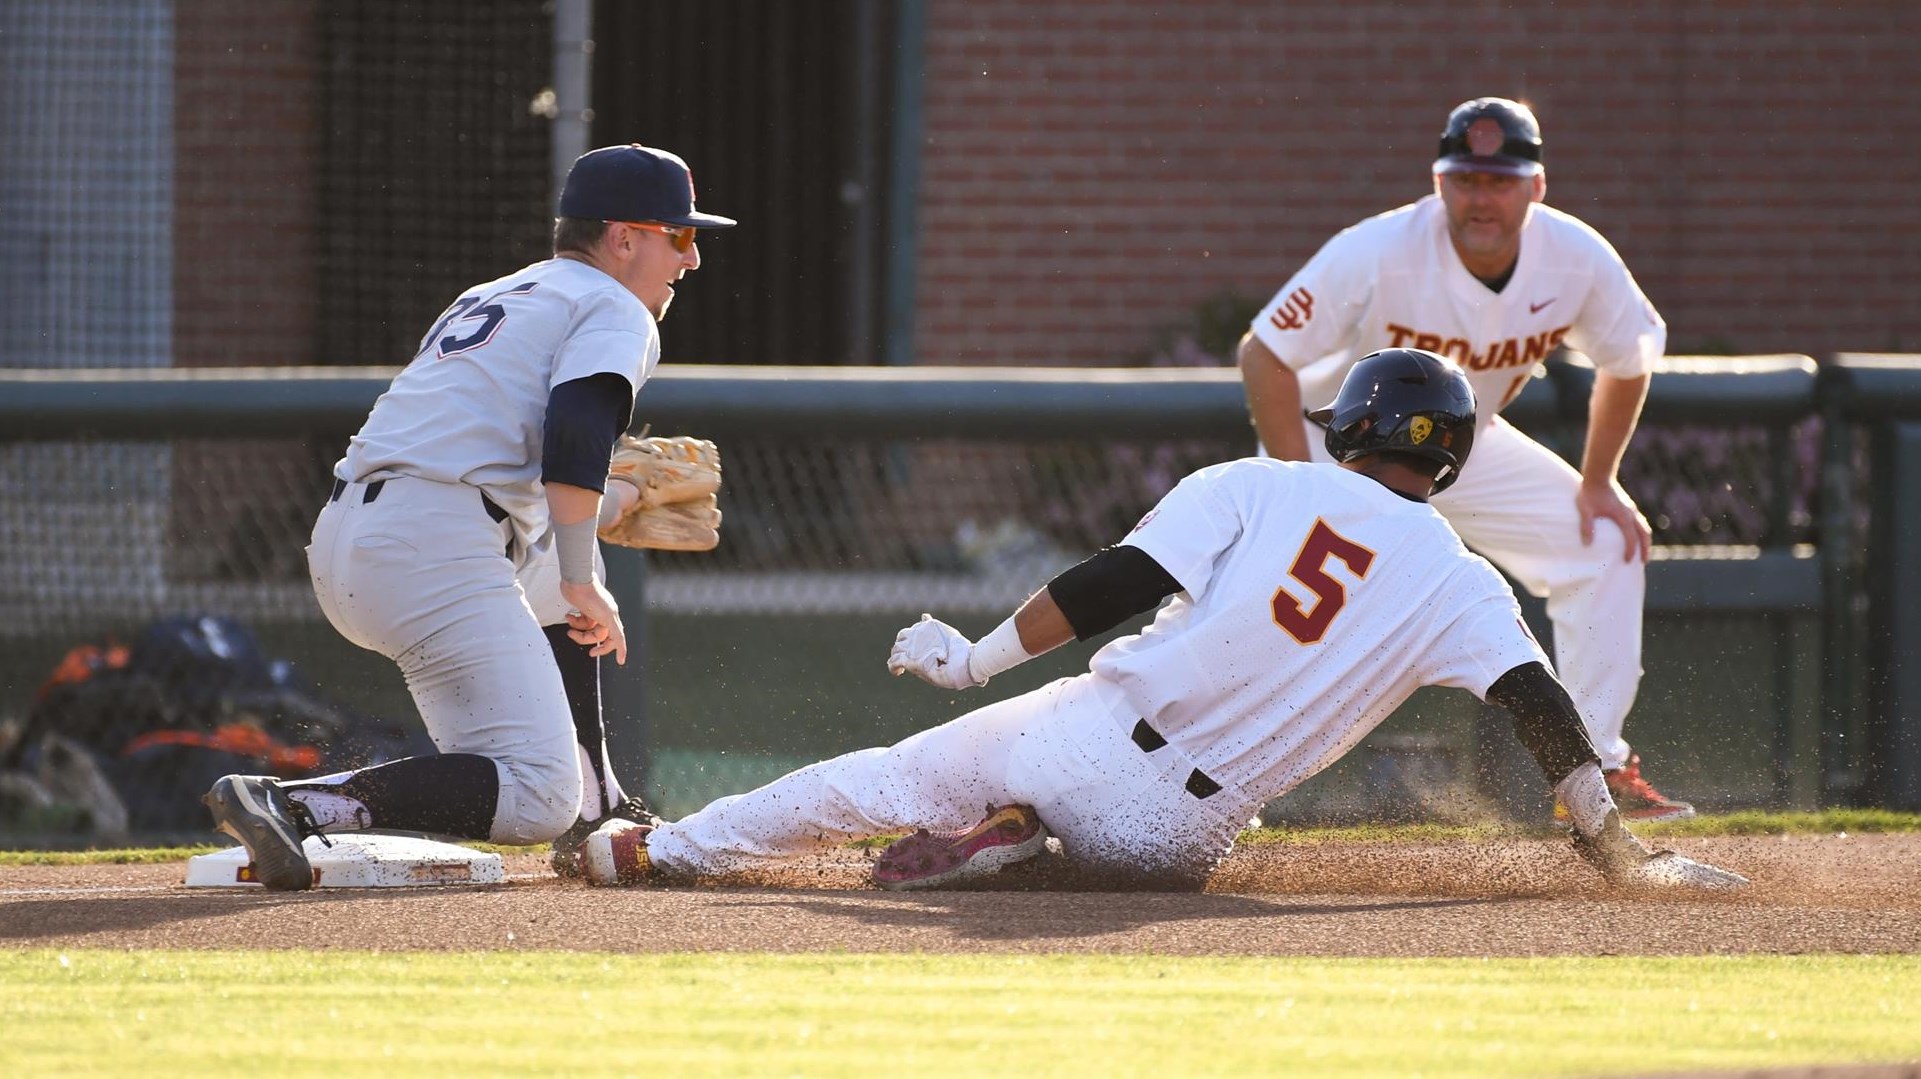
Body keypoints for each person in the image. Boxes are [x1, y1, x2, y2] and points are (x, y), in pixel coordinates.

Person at [577, 349, 1744, 895]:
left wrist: (973, 656)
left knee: (871, 780)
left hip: (1100, 732)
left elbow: (1115, 581)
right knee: (1105, 857)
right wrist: (1614, 851)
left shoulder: (1266, 481)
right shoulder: (1467, 582)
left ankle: (649, 851)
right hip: (1185, 839)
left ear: (1355, 430)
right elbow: (1545, 711)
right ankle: (1020, 843)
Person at [201, 144, 736, 890]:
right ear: (623, 237)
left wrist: (614, 506)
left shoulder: (504, 291)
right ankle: (296, 803)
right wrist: (583, 578)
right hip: (435, 548)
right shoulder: (612, 304)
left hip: (358, 538)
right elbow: (576, 434)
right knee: (536, 793)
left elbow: (511, 460)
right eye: (679, 236)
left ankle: (597, 805)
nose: (692, 259)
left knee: (554, 565)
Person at [1236, 97, 1691, 821]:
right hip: (1342, 444)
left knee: (1604, 541)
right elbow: (1262, 353)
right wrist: (1297, 487)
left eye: (1500, 180)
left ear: (1535, 187)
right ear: (1438, 180)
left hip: (1458, 443)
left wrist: (1599, 481)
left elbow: (1629, 355)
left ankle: (1594, 774)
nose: (1482, 197)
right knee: (1265, 602)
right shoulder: (1380, 246)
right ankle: (1203, 772)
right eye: (1466, 180)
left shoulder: (1575, 256)